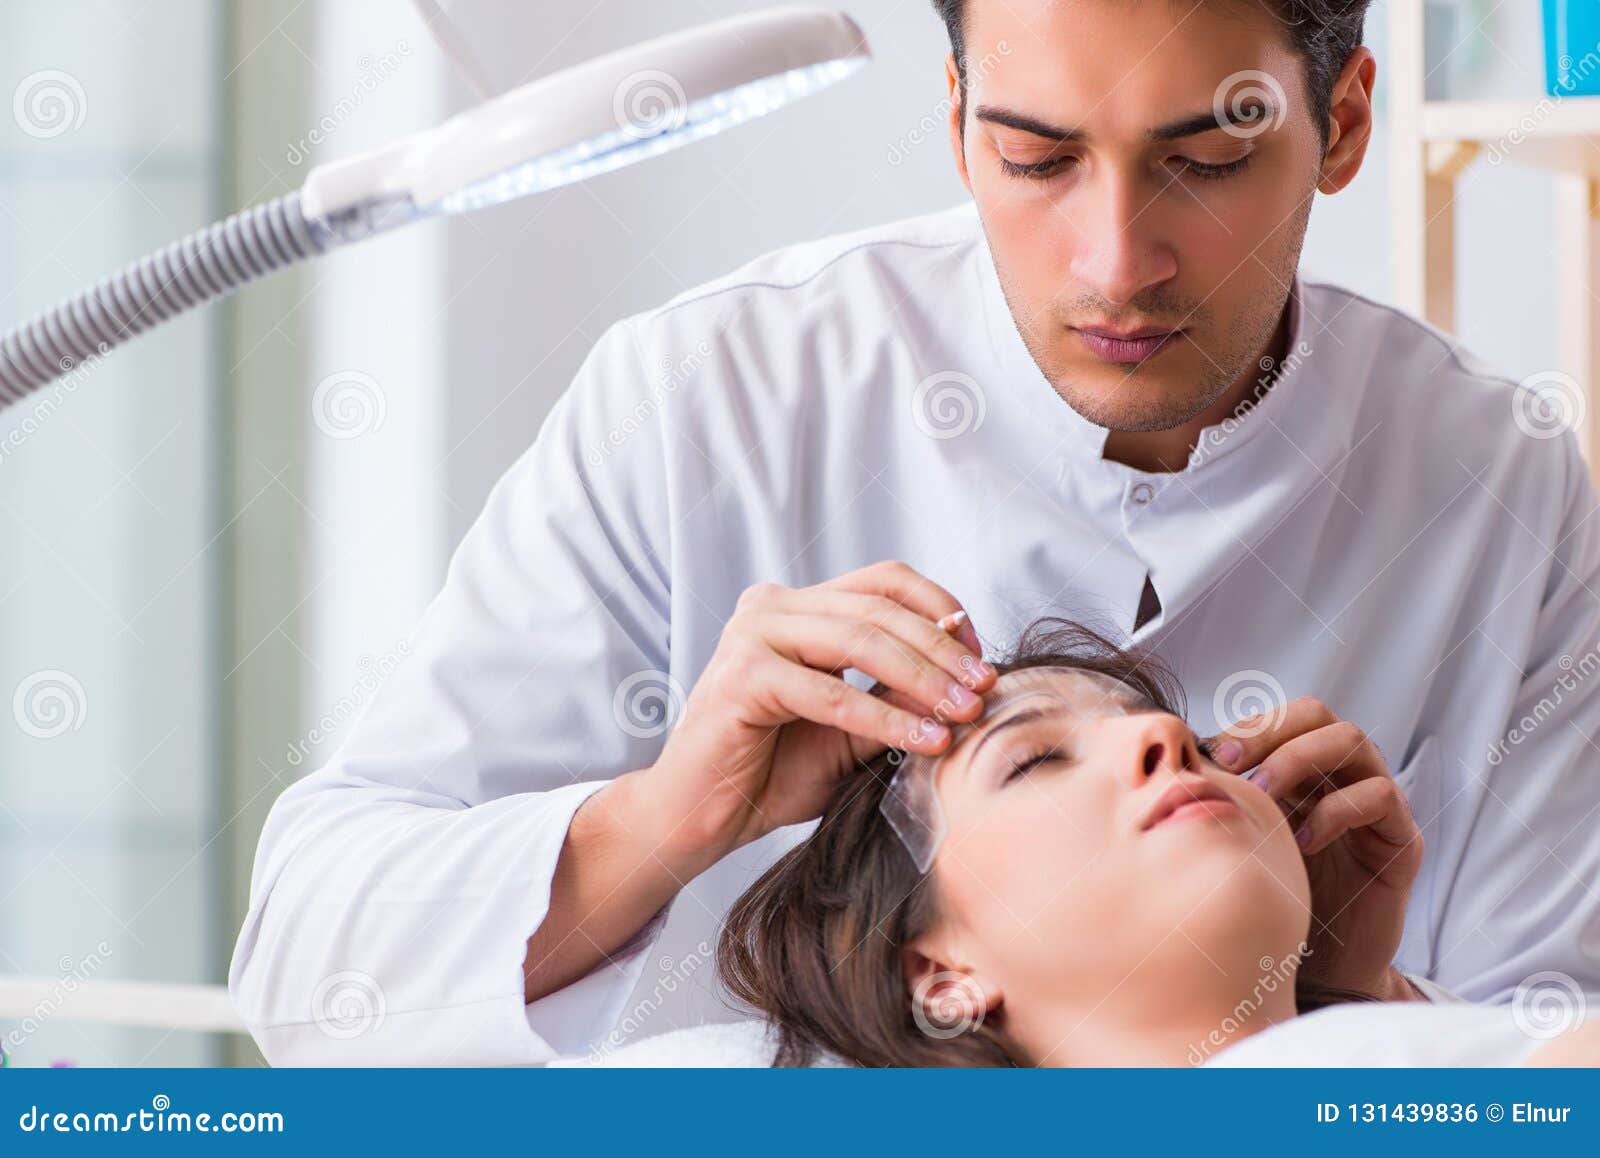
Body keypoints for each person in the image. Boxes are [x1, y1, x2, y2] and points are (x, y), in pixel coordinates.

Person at [231, 0, 1600, 1066]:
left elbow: (1552, 1045)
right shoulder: (715, 399)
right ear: (955, 122)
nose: (1115, 261)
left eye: (1207, 159)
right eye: (1035, 157)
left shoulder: (1498, 482)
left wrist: (1346, 1001)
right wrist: (666, 815)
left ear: (1347, 124)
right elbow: (308, 970)